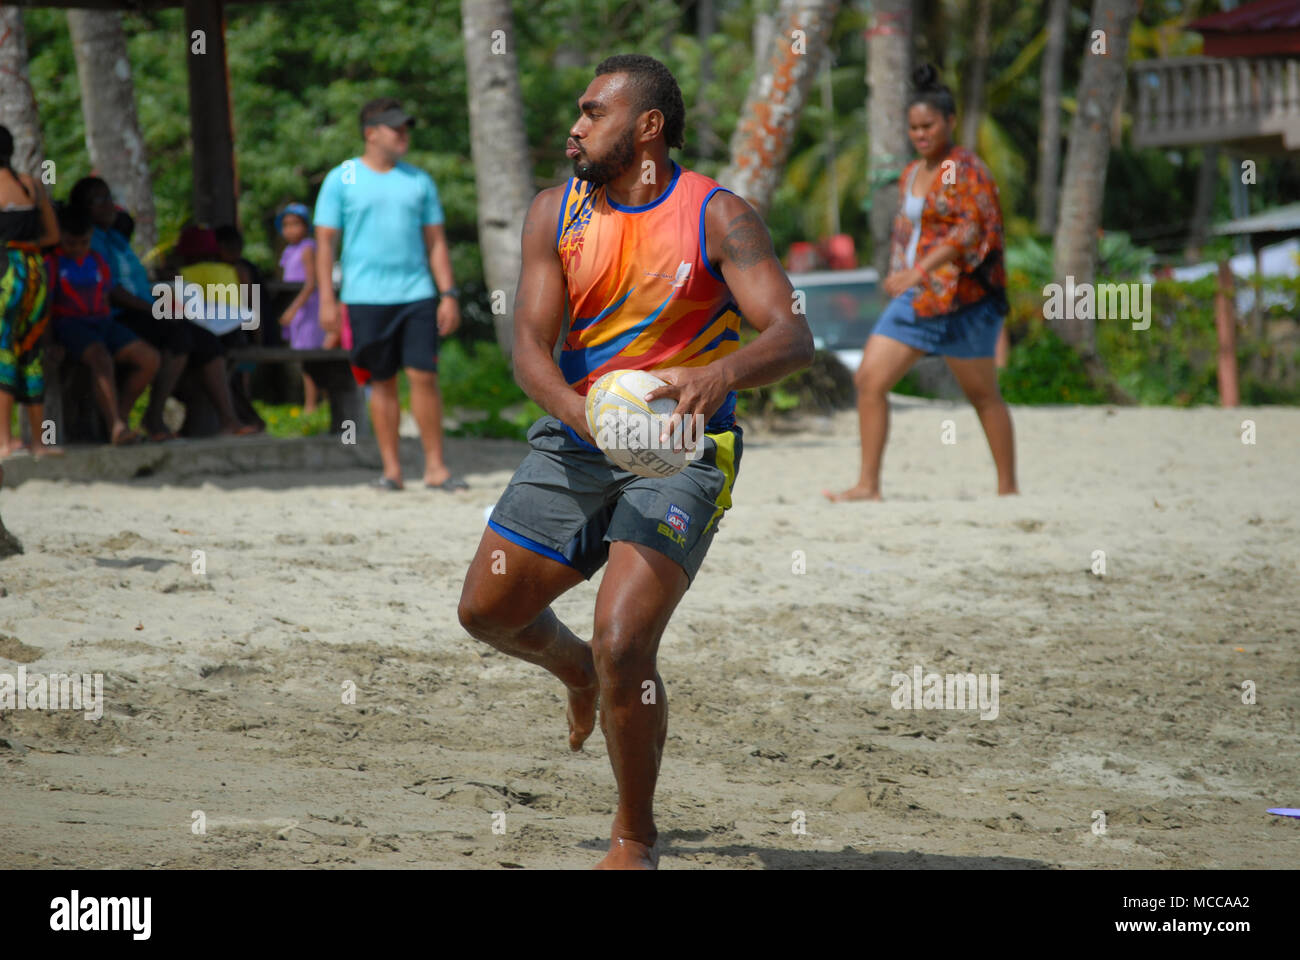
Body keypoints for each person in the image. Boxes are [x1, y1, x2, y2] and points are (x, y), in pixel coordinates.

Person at [457, 55, 814, 869]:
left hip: (685, 449)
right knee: (487, 613)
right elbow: (527, 350)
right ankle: (576, 672)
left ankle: (634, 837)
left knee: (625, 642)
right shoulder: (555, 212)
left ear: (647, 127)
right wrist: (578, 412)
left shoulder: (718, 216)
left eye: (593, 112)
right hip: (576, 435)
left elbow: (794, 335)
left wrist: (722, 372)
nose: (576, 127)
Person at [826, 64, 1017, 501]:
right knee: (869, 382)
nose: (921, 134)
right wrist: (903, 272)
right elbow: (907, 231)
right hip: (917, 301)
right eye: (914, 128)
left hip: (965, 301)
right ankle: (867, 485)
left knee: (983, 395)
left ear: (950, 121)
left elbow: (970, 229)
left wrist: (921, 268)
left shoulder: (966, 169)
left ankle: (1008, 490)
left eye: (928, 125)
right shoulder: (912, 171)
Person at [313, 98, 467, 491]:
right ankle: (392, 471)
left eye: (406, 128)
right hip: (363, 298)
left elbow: (436, 243)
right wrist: (328, 301)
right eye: (395, 128)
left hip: (416, 294)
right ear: (371, 133)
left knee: (423, 375)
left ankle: (436, 468)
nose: (404, 135)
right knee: (381, 381)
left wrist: (448, 294)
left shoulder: (419, 180)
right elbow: (325, 245)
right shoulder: (341, 178)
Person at [46, 205, 158, 445]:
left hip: (102, 322)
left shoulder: (97, 260)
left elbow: (105, 296)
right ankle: (115, 424)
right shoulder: (52, 263)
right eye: (71, 243)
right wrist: (51, 341)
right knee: (101, 359)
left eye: (83, 243)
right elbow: (44, 306)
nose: (77, 250)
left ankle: (122, 418)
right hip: (70, 325)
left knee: (149, 359)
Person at [0, 125, 59, 458]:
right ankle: (40, 442)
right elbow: (52, 237)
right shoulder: (33, 186)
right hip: (35, 274)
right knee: (31, 352)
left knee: (2, 351)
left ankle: (5, 441)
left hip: (5, 275)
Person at [275, 203, 325, 413]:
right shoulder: (289, 250)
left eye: (296, 224)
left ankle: (312, 405)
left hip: (308, 308)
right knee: (303, 360)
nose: (291, 229)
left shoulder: (307, 248)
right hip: (297, 308)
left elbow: (311, 283)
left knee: (312, 358)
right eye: (286, 225)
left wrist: (294, 309)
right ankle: (311, 404)